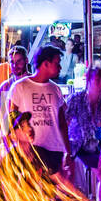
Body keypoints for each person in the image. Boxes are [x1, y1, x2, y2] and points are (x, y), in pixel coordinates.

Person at [8, 45, 69, 174]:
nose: (60, 67)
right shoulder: (20, 86)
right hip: (32, 150)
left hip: (54, 149)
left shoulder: (55, 89)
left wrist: (67, 150)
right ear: (46, 64)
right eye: (57, 63)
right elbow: (12, 120)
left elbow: (62, 123)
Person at [65, 65, 101, 201]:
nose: (100, 86)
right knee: (68, 179)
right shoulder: (76, 99)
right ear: (88, 81)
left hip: (92, 145)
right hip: (74, 143)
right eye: (97, 82)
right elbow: (64, 122)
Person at [0, 45, 29, 121]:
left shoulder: (35, 83)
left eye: (19, 61)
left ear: (26, 60)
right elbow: (2, 113)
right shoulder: (5, 86)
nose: (15, 65)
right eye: (12, 62)